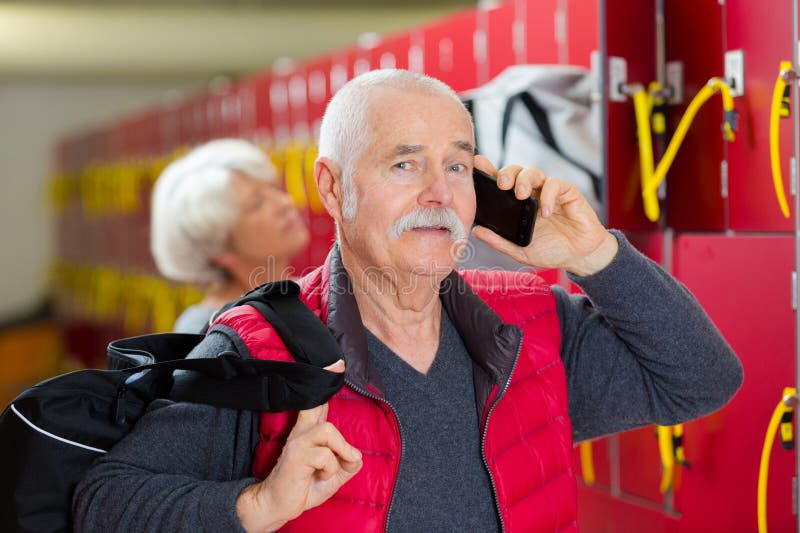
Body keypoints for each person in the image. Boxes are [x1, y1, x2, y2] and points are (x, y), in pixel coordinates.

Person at [74, 70, 742, 532]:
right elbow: (105, 504)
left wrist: (594, 257)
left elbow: (701, 378)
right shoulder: (258, 349)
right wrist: (255, 505)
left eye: (456, 165)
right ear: (333, 190)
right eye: (404, 163)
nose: (438, 192)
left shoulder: (532, 323)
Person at [150, 138, 310, 333]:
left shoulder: (318, 293)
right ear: (218, 247)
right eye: (257, 204)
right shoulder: (207, 331)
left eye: (274, 189)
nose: (285, 202)